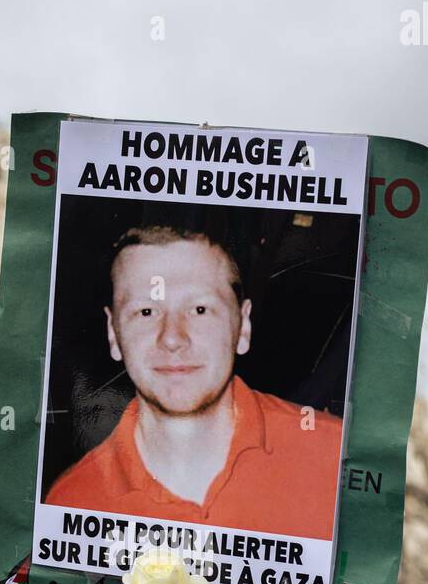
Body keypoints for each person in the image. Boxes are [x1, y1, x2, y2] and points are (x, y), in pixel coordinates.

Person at [44, 225, 343, 538]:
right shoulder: (73, 500)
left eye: (200, 309)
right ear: (112, 334)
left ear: (242, 328)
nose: (172, 338)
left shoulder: (333, 459)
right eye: (146, 311)